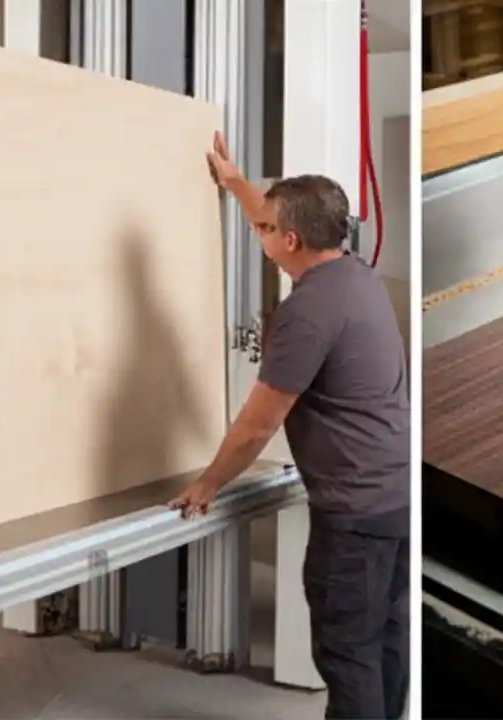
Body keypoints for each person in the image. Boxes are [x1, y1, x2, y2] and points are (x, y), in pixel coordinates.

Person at [168, 132, 411, 720]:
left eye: (265, 230)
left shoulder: (306, 313)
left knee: (348, 653)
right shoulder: (356, 275)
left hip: (354, 515)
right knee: (386, 640)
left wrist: (208, 484)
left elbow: (258, 426)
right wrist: (234, 182)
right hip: (397, 496)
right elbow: (274, 216)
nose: (260, 234)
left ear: (291, 240)